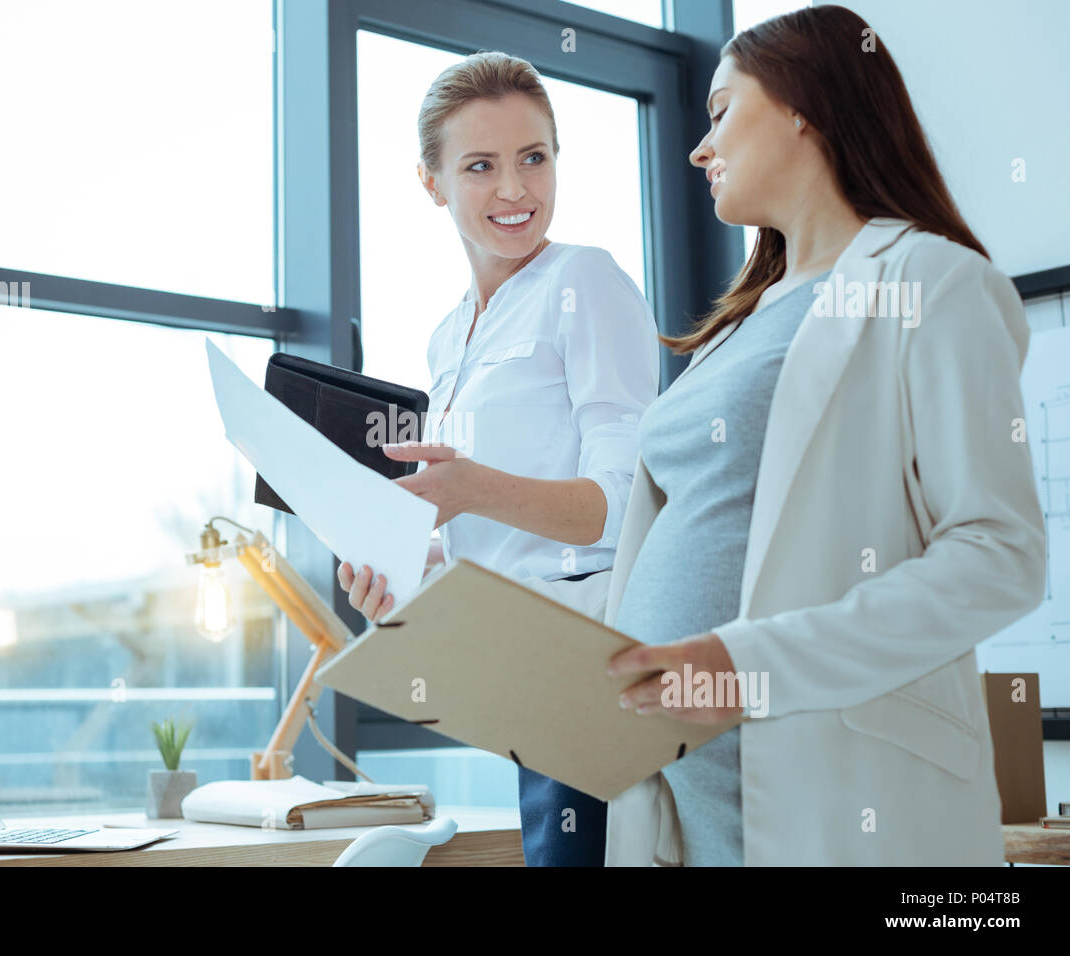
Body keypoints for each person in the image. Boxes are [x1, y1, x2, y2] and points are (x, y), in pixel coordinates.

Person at [602, 5, 1045, 865]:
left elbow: (1000, 556)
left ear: (804, 104)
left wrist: (749, 662)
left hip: (842, 802)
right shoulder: (736, 328)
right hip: (682, 808)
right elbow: (683, 548)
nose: (698, 149)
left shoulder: (932, 281)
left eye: (721, 110)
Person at [337, 51, 659, 867]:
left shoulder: (586, 281)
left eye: (534, 158)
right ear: (432, 182)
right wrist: (408, 571)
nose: (515, 190)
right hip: (512, 659)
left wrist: (470, 489)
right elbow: (487, 536)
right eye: (480, 166)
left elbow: (624, 504)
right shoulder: (449, 335)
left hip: (590, 654)